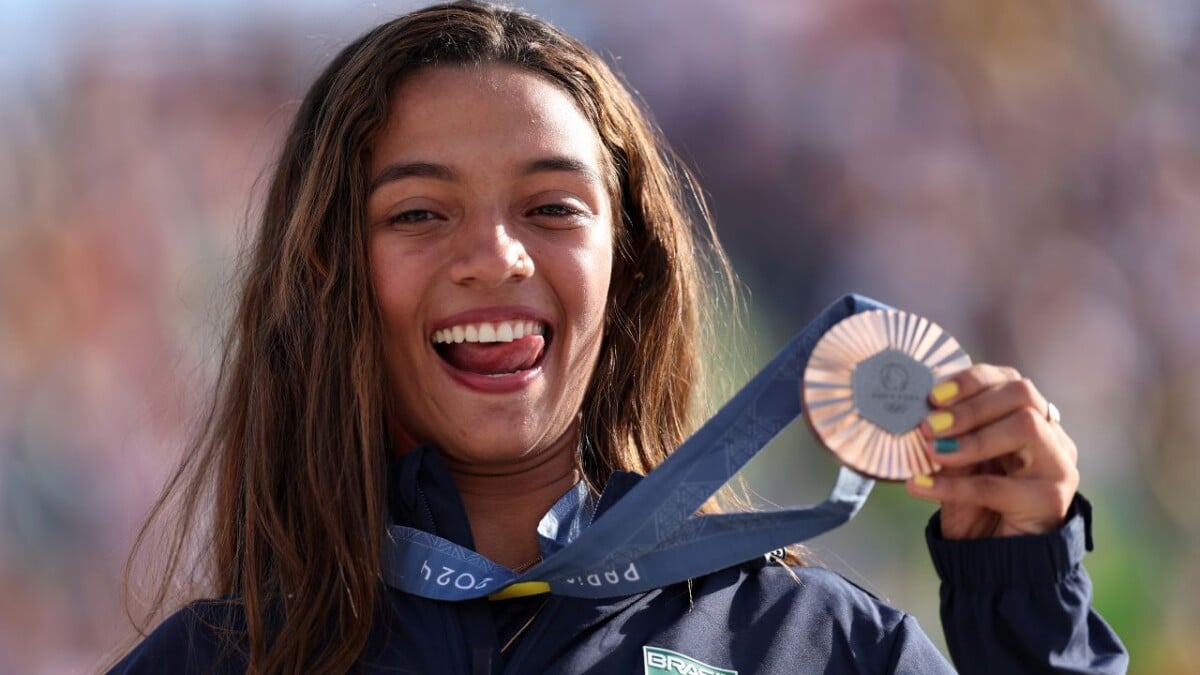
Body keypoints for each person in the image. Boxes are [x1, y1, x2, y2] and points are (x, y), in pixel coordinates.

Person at [108, 2, 1127, 673]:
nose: (497, 256)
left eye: (552, 208)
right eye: (419, 214)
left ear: (628, 267)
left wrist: (1027, 613)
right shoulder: (216, 662)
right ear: (334, 275)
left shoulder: (812, 650)